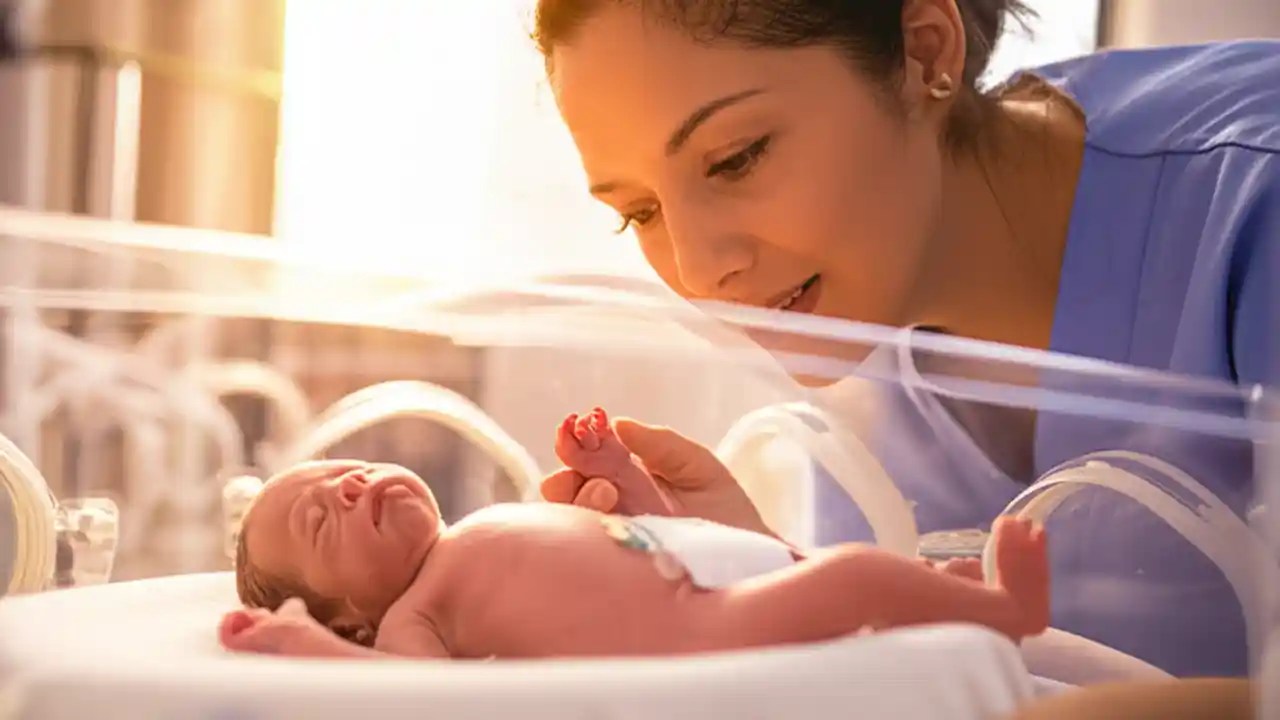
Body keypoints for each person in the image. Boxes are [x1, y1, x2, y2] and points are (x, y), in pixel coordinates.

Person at [530, 0, 1280, 678]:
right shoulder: (861, 328)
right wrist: (759, 584)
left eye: (737, 158)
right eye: (640, 213)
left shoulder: (1252, 203)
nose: (698, 271)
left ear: (924, 51)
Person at [222, 409, 1050, 658]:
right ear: (351, 621)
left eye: (345, 471)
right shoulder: (414, 619)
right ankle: (1008, 611)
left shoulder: (479, 528)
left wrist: (616, 466)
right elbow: (418, 708)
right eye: (321, 516)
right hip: (698, 629)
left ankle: (959, 600)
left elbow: (657, 528)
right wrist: (303, 646)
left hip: (711, 567)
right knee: (855, 577)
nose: (350, 485)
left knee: (844, 577)